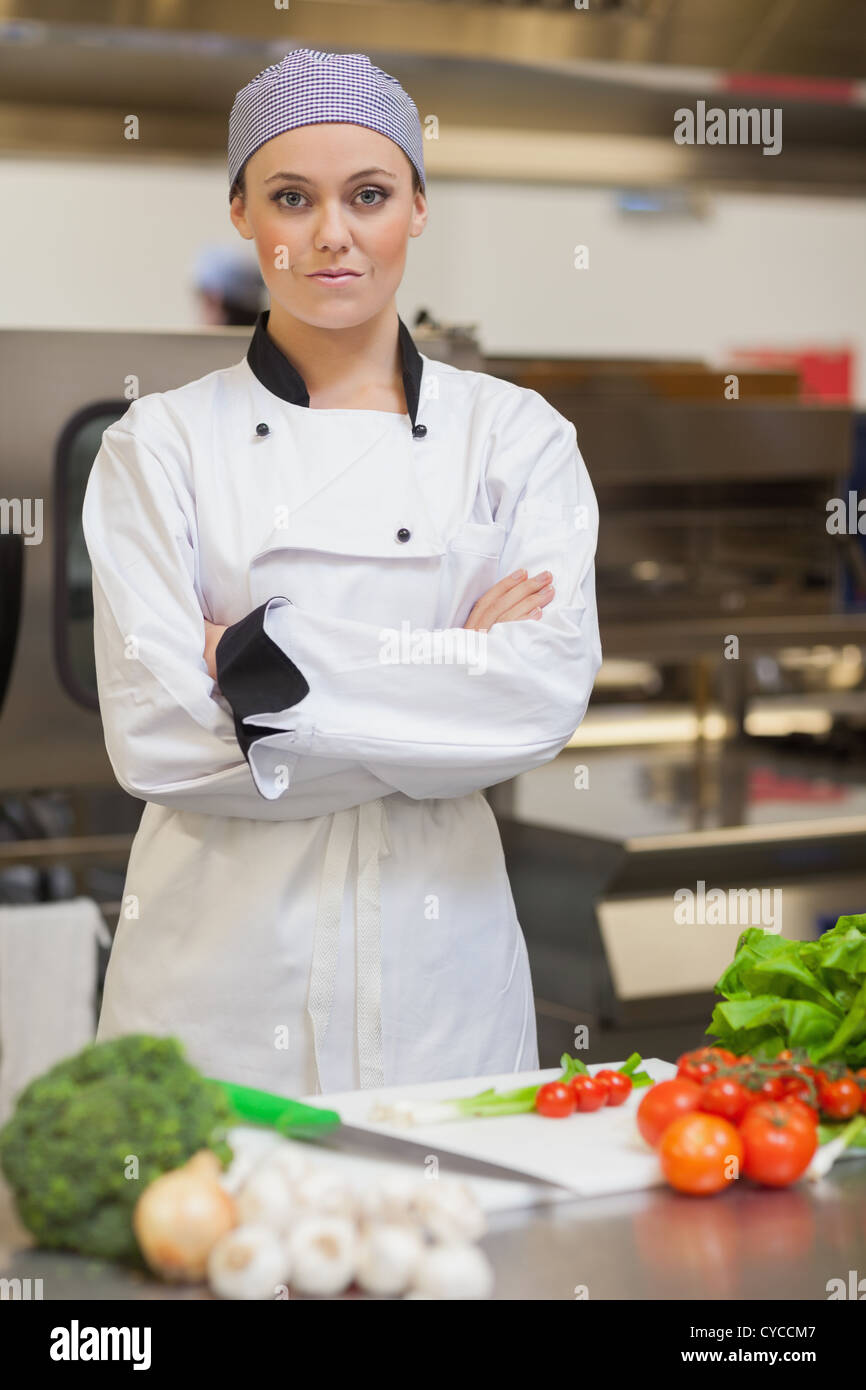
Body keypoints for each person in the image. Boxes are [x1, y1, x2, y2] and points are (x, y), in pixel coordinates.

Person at [82, 48, 602, 1098]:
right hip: (216, 994)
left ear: (416, 204)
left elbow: (535, 705)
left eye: (367, 194)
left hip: (443, 983)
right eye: (290, 197)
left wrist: (251, 660)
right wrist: (452, 667)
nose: (331, 234)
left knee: (448, 1255)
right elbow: (161, 739)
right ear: (240, 213)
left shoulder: (515, 439)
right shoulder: (160, 445)